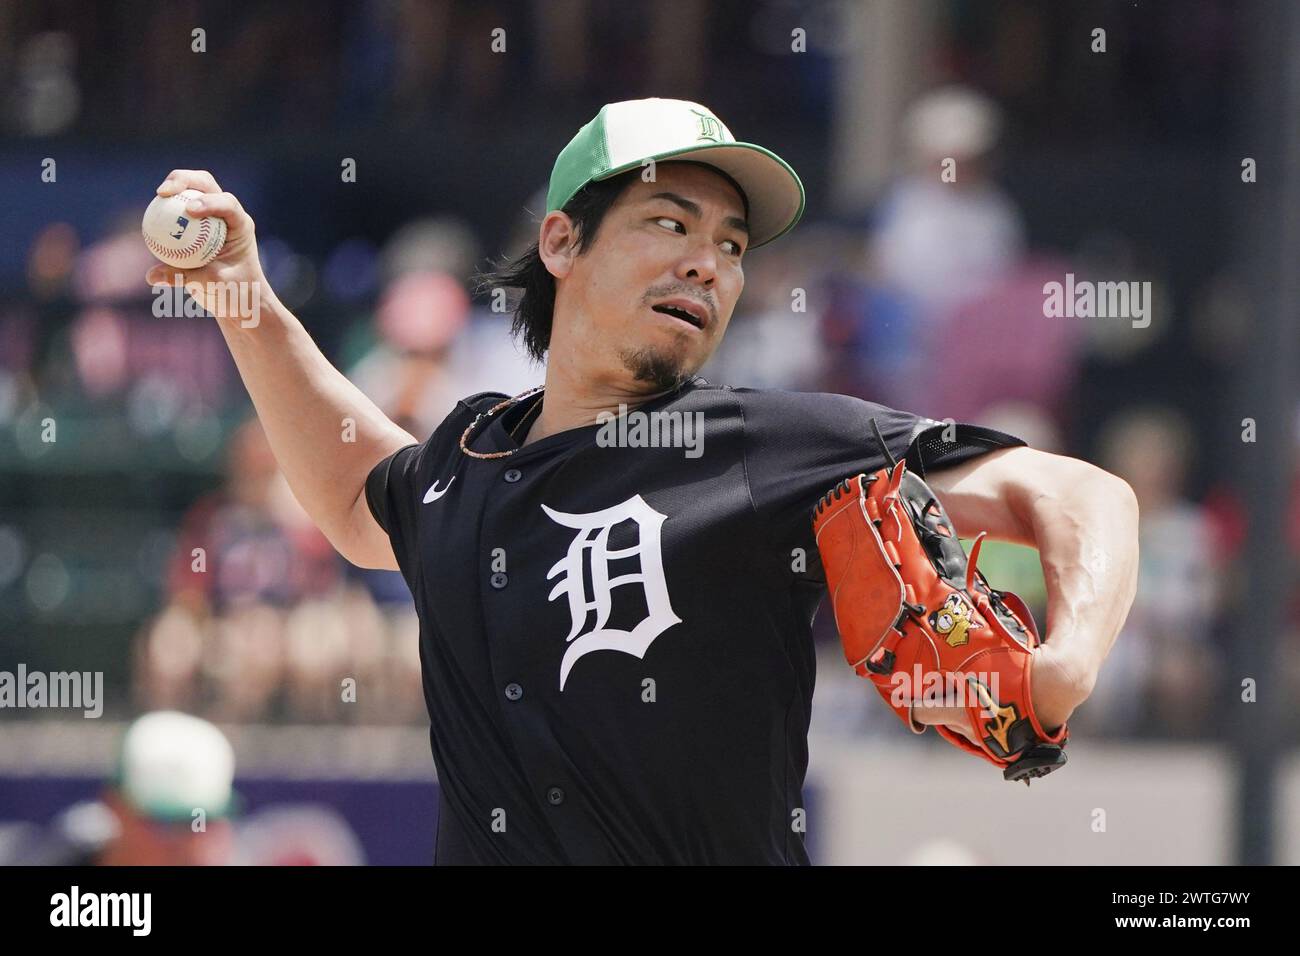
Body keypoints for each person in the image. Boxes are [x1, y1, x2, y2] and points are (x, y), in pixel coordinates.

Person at [144, 97, 1139, 865]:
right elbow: (362, 492)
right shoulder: (464, 459)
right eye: (670, 222)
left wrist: (1069, 654)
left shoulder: (761, 441)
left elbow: (1079, 495)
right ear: (562, 242)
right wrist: (243, 293)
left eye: (731, 245)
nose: (708, 263)